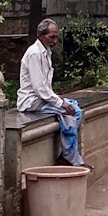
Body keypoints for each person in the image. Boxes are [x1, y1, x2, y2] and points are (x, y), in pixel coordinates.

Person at [17, 18, 86, 167]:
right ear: (41, 35)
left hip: (42, 98)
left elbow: (45, 86)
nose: (55, 40)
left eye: (56, 37)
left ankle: (68, 154)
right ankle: (70, 157)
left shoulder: (45, 52)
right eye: (52, 37)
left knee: (75, 108)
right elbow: (39, 88)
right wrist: (59, 102)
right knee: (71, 111)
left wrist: (57, 99)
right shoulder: (34, 53)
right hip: (32, 101)